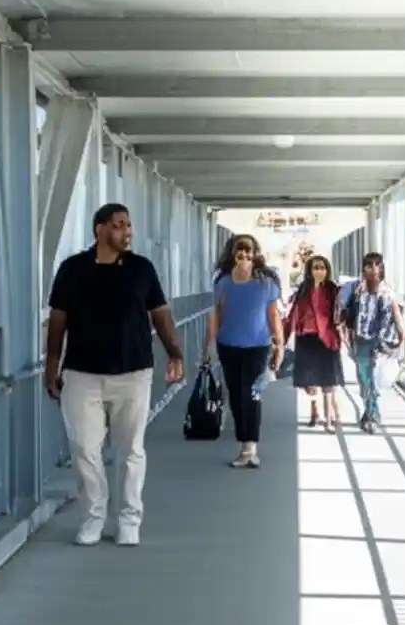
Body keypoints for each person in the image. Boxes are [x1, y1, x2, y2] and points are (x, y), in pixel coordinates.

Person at [45, 203, 185, 547]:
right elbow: (58, 320)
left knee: (131, 450)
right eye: (119, 225)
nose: (127, 231)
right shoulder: (72, 269)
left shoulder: (141, 269)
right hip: (81, 374)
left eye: (129, 224)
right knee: (84, 449)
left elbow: (161, 314)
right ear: (100, 229)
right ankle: (93, 517)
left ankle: (128, 519)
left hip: (133, 373)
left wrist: (175, 353)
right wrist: (52, 364)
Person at [204, 234, 284, 468]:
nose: (244, 255)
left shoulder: (266, 284)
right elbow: (216, 315)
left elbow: (273, 315)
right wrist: (207, 346)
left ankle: (250, 447)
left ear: (255, 254)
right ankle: (244, 444)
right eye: (240, 250)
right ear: (232, 253)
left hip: (258, 347)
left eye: (248, 250)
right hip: (228, 345)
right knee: (236, 397)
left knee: (251, 395)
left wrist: (279, 344)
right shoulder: (224, 282)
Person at [338, 252, 405, 433]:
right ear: (363, 268)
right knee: (364, 381)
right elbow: (344, 311)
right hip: (361, 340)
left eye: (377, 264)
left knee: (373, 380)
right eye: (369, 264)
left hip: (379, 342)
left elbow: (397, 317)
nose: (373, 268)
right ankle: (369, 411)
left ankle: (371, 415)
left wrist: (400, 338)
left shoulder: (388, 293)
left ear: (382, 268)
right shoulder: (357, 290)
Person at [283, 255, 345, 432]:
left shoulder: (333, 289)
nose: (320, 271)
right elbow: (294, 313)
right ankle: (314, 411)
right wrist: (285, 336)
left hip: (327, 337)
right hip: (307, 337)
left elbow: (340, 312)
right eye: (316, 267)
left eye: (323, 267)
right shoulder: (303, 290)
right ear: (310, 270)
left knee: (328, 379)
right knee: (308, 379)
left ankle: (329, 420)